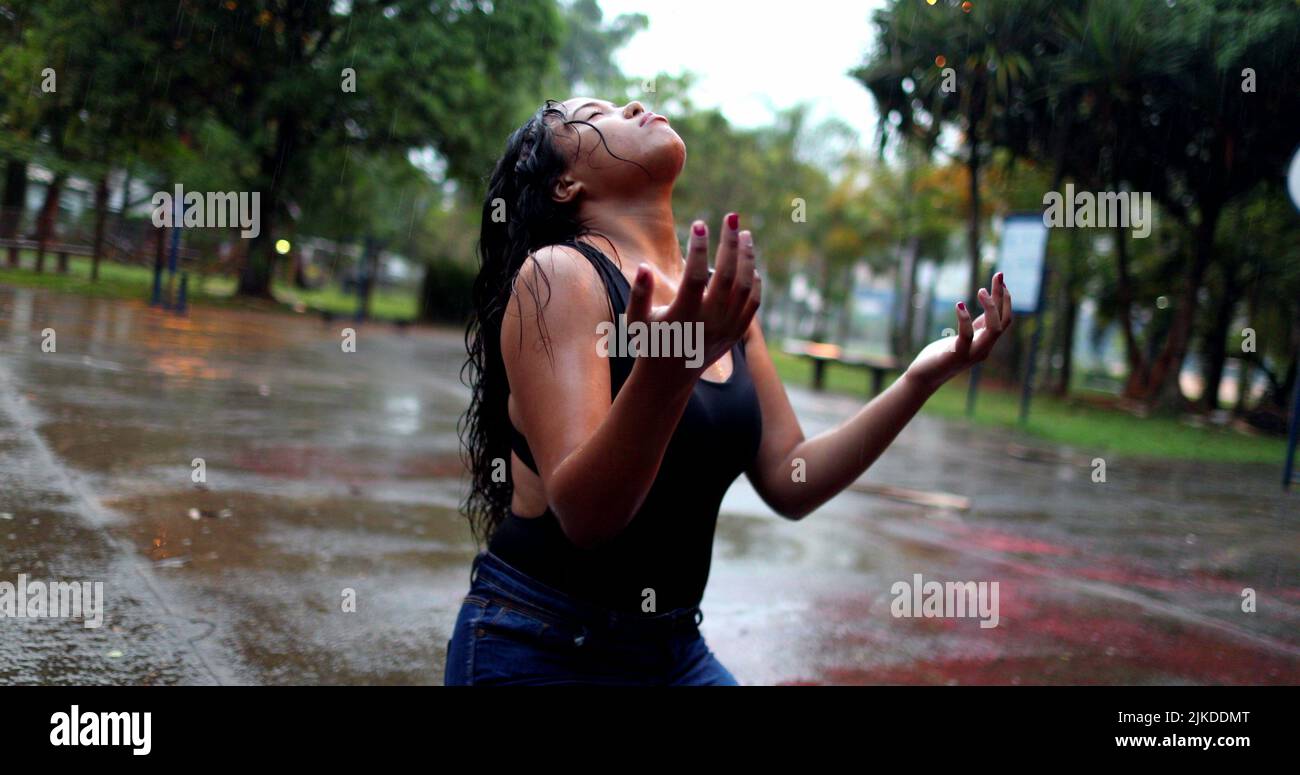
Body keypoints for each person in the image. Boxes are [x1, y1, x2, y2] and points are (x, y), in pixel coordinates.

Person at [444, 97, 1013, 685]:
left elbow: (792, 478)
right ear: (565, 184)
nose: (634, 104)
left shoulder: (723, 302)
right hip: (543, 644)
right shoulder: (561, 275)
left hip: (674, 649)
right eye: (594, 114)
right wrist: (668, 371)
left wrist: (920, 377)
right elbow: (587, 517)